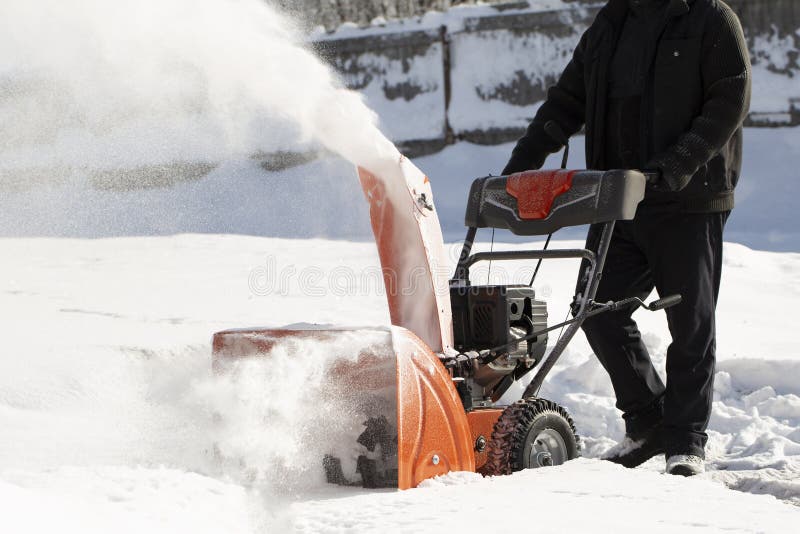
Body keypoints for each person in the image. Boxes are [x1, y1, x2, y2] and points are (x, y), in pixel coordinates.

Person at [502, 0, 751, 476]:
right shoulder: (611, 23)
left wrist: (676, 165)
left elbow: (729, 101)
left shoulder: (710, 18)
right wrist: (521, 164)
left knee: (690, 326)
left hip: (687, 198)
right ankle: (648, 419)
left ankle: (685, 442)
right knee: (596, 311)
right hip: (618, 199)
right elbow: (566, 102)